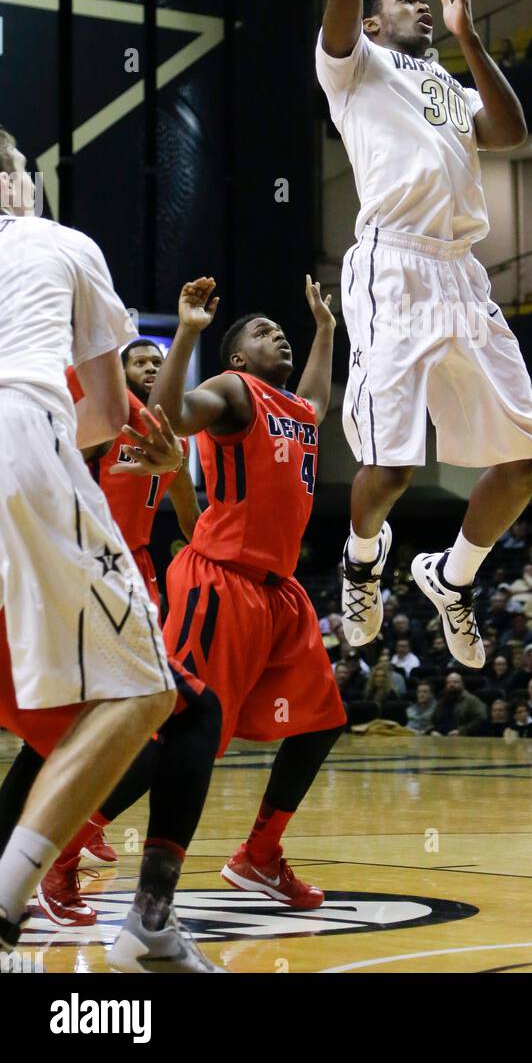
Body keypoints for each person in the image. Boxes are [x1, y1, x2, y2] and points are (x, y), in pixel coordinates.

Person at [316, 0, 532, 673]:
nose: (418, 4)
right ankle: (361, 561)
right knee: (397, 470)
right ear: (370, 24)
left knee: (526, 463)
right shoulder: (354, 67)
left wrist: (471, 41)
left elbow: (513, 131)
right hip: (394, 266)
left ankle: (450, 576)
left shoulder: (446, 82)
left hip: (462, 273)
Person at [0, 130, 178, 959]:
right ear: (15, 185)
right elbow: (105, 416)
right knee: (147, 690)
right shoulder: (57, 240)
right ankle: (7, 893)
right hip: (22, 428)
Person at [148, 274, 347, 907]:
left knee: (321, 721)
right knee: (181, 729)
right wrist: (186, 333)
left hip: (279, 593)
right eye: (264, 331)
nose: (277, 333)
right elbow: (172, 414)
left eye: (279, 328)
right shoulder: (232, 391)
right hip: (221, 580)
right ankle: (68, 852)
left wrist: (324, 329)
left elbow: (317, 394)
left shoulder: (297, 411)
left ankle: (259, 855)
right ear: (237, 357)